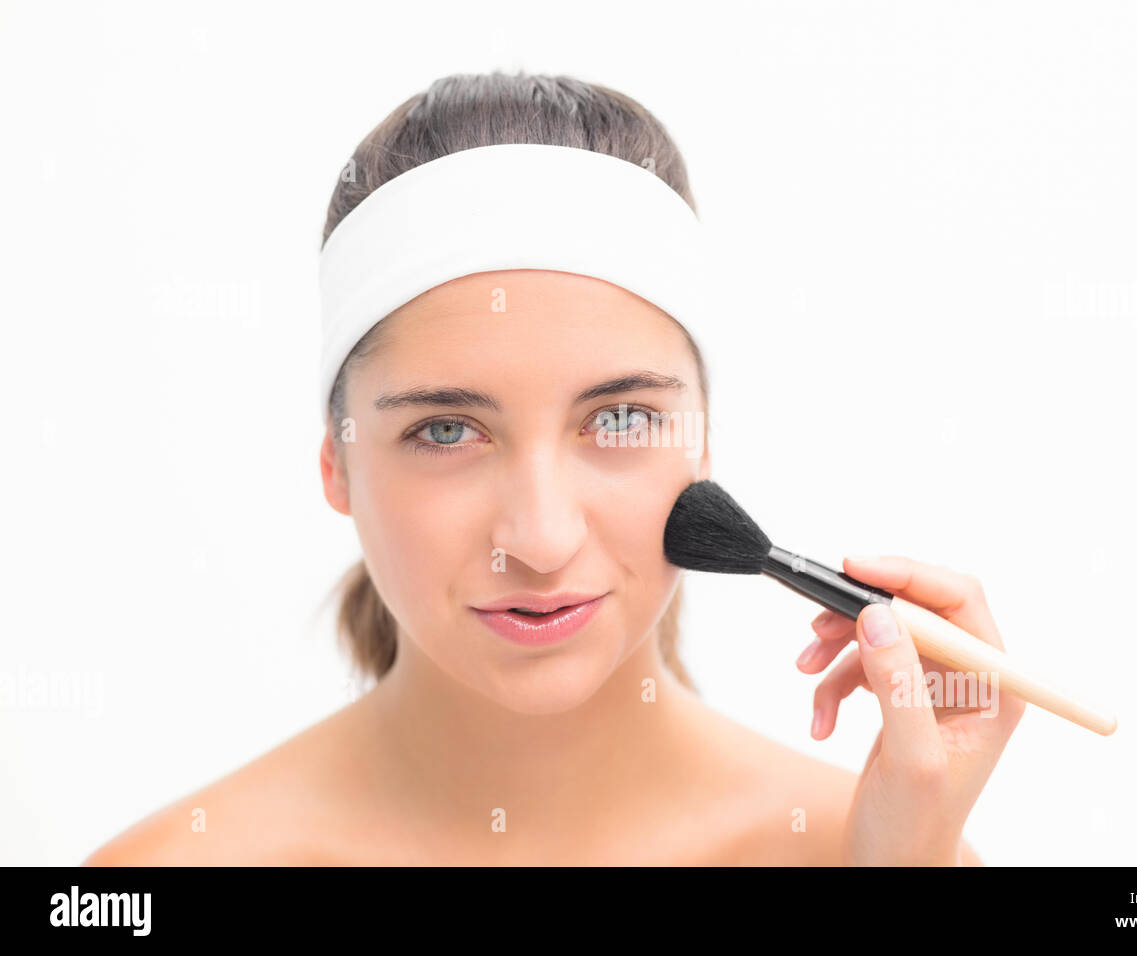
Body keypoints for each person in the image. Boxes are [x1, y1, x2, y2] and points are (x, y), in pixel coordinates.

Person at [84, 71, 1022, 866]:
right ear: (337, 464)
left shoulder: (876, 848)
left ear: (702, 445)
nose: (538, 540)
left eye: (618, 419)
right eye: (445, 431)